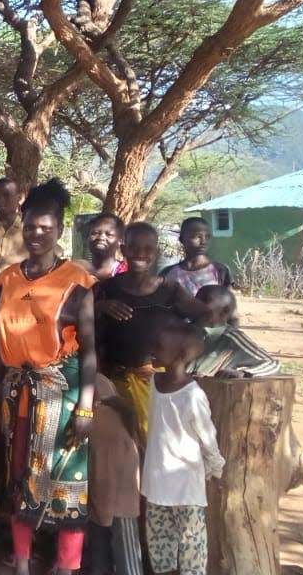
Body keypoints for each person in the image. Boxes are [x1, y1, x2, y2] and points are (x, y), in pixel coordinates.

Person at [0, 178, 97, 575]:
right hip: (16, 391)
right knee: (19, 477)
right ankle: (21, 562)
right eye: (31, 226)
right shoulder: (7, 279)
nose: (36, 234)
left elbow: (89, 351)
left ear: (59, 231)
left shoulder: (77, 283)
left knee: (68, 479)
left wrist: (85, 408)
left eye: (46, 228)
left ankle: (66, 567)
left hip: (61, 391)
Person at [96, 222, 204, 442]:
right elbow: (87, 326)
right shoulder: (107, 289)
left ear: (156, 253)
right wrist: (100, 307)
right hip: (113, 382)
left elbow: (203, 317)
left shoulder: (169, 290)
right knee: (120, 442)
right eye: (134, 248)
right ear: (123, 250)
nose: (140, 254)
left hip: (154, 384)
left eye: (148, 249)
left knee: (155, 442)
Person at [142, 318, 225, 575]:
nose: (152, 351)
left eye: (159, 347)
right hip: (157, 483)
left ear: (180, 355)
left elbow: (207, 437)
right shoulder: (153, 383)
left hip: (185, 486)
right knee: (161, 549)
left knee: (190, 549)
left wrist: (216, 467)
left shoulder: (193, 395)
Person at [86, 374, 143, 575]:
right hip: (104, 475)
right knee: (107, 538)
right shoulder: (101, 382)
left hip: (116, 478)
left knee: (121, 545)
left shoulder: (94, 385)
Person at [191, 285, 281, 378]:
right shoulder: (185, 332)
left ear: (224, 311)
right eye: (196, 299)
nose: (196, 304)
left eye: (205, 300)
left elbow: (272, 364)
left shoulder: (232, 338)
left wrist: (244, 373)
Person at [161, 217, 233, 297]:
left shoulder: (220, 271)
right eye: (197, 236)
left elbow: (229, 305)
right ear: (182, 239)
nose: (203, 241)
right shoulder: (168, 273)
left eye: (207, 237)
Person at [83, 213, 128, 281]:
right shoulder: (78, 272)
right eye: (95, 233)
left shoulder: (127, 273)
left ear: (120, 241)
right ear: (87, 238)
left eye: (109, 234)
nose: (101, 237)